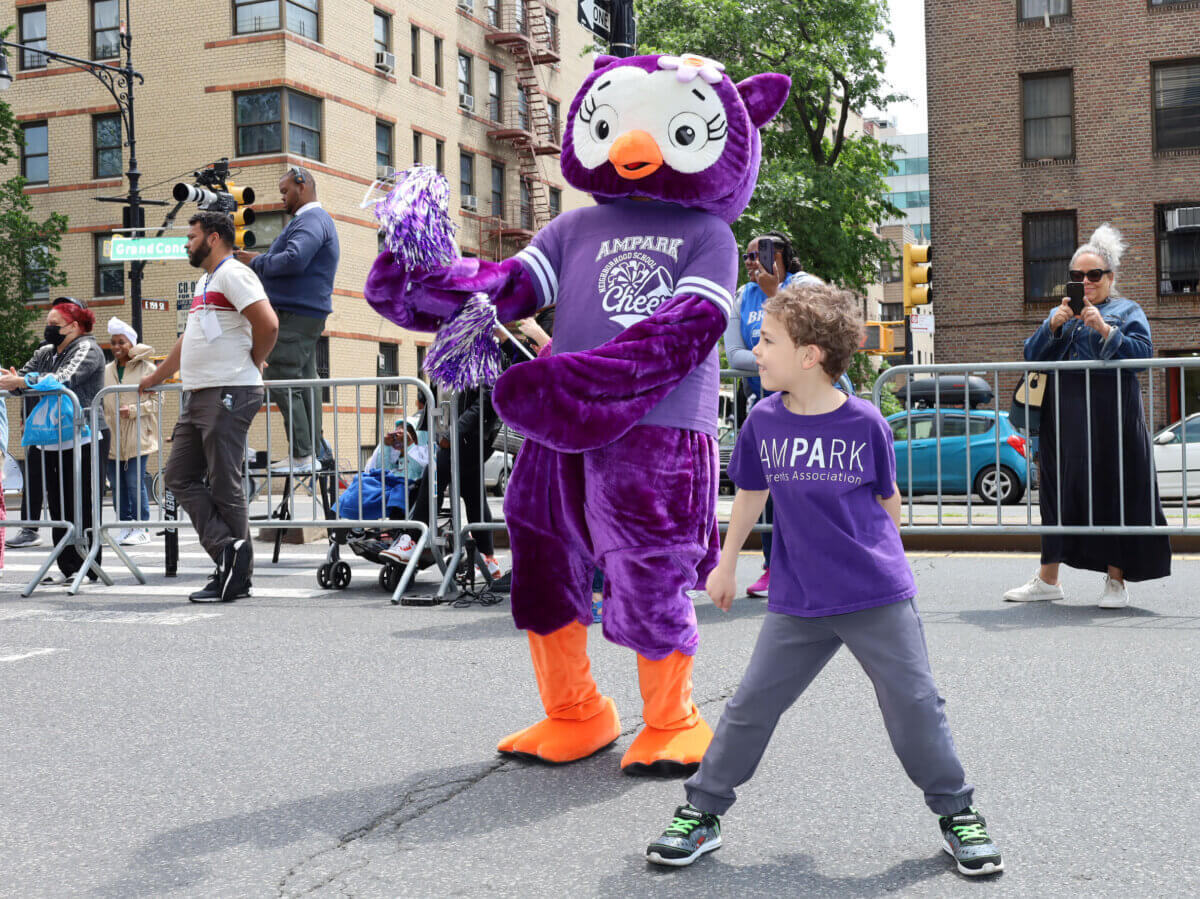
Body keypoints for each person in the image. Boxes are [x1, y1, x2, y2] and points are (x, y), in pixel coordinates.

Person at [645, 282, 1002, 877]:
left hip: (874, 594)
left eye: (767, 340)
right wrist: (727, 561)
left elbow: (886, 505)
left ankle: (958, 815)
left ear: (809, 355)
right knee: (751, 705)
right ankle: (701, 814)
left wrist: (894, 574)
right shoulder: (763, 420)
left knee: (915, 705)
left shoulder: (865, 423)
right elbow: (753, 491)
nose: (754, 350)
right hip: (799, 599)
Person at [1004, 223, 1170, 608]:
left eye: (1094, 275)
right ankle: (1048, 580)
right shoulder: (1061, 313)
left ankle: (1116, 583)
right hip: (1062, 426)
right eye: (1077, 276)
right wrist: (1052, 325)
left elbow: (1142, 358)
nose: (1085, 281)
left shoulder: (1128, 310)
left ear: (1110, 277)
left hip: (1113, 424)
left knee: (1114, 494)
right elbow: (1032, 356)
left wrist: (1105, 328)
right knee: (1056, 496)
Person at [141, 211, 278, 603]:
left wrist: (253, 360)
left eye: (191, 236)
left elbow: (268, 324)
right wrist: (156, 377)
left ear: (214, 238)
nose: (187, 243)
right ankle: (227, 553)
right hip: (199, 393)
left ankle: (236, 575)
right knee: (177, 476)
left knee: (224, 482)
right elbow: (189, 339)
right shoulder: (206, 280)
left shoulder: (234, 274)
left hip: (230, 390)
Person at [723, 232, 823, 599]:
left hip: (815, 403)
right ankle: (773, 567)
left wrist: (775, 296)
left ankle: (817, 564)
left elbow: (816, 338)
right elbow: (735, 356)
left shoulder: (807, 286)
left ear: (779, 255)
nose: (750, 263)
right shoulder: (742, 296)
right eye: (746, 257)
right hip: (769, 406)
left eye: (756, 255)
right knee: (767, 489)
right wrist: (783, 361)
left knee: (809, 486)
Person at [235, 165, 339, 474]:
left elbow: (295, 259)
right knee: (305, 381)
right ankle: (311, 452)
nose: (282, 198)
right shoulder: (312, 221)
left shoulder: (311, 219)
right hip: (303, 312)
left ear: (302, 185)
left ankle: (303, 454)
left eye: (285, 192)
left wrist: (258, 261)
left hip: (296, 313)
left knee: (280, 374)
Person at [0, 297, 108, 583]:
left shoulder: (88, 348)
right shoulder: (46, 351)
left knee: (82, 501)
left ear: (73, 326)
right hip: (52, 436)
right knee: (59, 503)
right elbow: (22, 379)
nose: (48, 329)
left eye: (54, 324)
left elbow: (64, 379)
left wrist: (22, 382)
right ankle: (68, 567)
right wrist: (12, 380)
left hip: (85, 435)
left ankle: (88, 565)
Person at [102, 317, 159, 546]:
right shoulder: (106, 370)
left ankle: (141, 526)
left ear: (131, 344)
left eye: (121, 342)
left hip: (138, 435)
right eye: (113, 342)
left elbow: (159, 401)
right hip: (112, 437)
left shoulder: (148, 368)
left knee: (134, 482)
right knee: (117, 484)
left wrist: (135, 410)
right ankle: (125, 525)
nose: (116, 347)